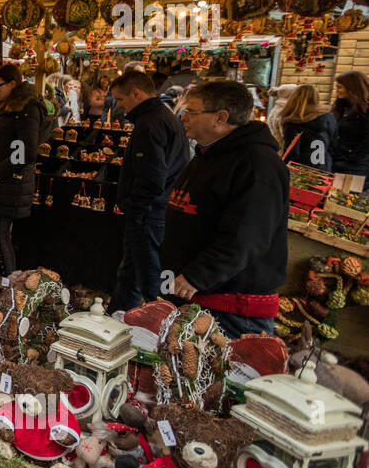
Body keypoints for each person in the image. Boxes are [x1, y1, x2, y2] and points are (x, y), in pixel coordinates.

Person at [161, 81, 288, 337]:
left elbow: (246, 237)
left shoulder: (256, 165)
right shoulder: (209, 153)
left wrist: (198, 276)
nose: (184, 116)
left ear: (220, 118)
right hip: (196, 296)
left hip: (231, 311)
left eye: (193, 111)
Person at [109, 70, 189, 312]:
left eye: (121, 100)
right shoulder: (163, 116)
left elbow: (151, 176)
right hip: (156, 208)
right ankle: (118, 316)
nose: (120, 107)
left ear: (136, 92)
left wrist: (137, 209)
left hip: (149, 212)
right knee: (132, 271)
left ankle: (158, 324)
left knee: (147, 275)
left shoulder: (149, 123)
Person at [0, 64, 48, 285]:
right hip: (2, 180)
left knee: (1, 232)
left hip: (10, 182)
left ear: (12, 84)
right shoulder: (4, 107)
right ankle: (5, 279)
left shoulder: (26, 109)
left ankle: (9, 282)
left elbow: (25, 151)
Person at [280, 84, 337, 171]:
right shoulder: (329, 117)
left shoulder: (294, 121)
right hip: (324, 166)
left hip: (301, 170)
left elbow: (292, 152)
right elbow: (333, 144)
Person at [332, 71, 369, 177]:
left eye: (339, 87)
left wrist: (353, 157)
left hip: (355, 165)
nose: (337, 91)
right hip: (339, 159)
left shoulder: (365, 110)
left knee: (347, 193)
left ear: (352, 88)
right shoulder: (342, 106)